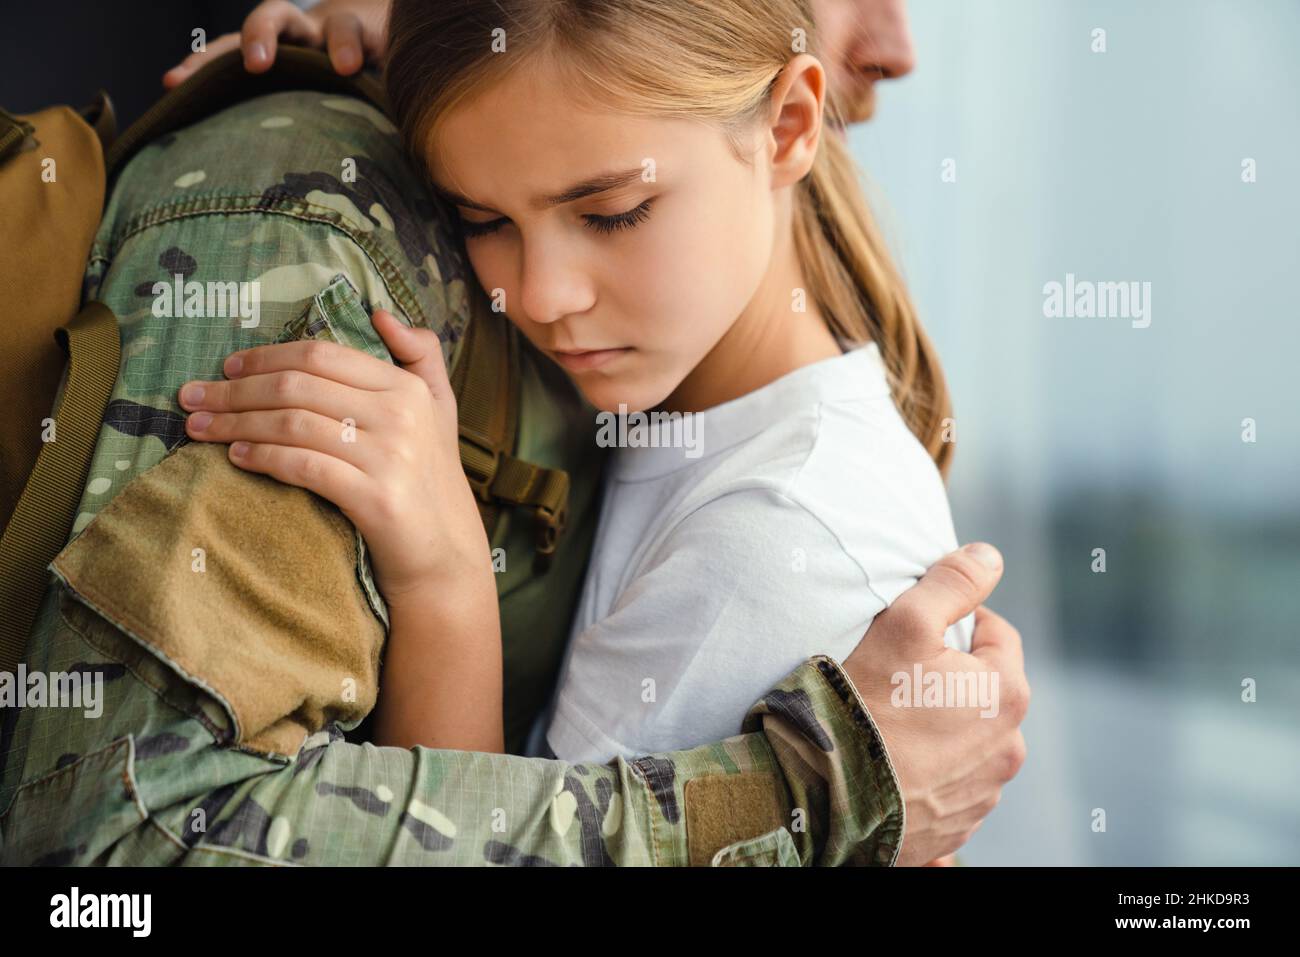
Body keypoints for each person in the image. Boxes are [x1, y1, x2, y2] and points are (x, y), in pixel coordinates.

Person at [0, 1, 1026, 868]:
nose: (540, 296)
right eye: (479, 217)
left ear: (790, 126)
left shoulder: (772, 541)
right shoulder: (677, 405)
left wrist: (445, 579)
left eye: (614, 212)